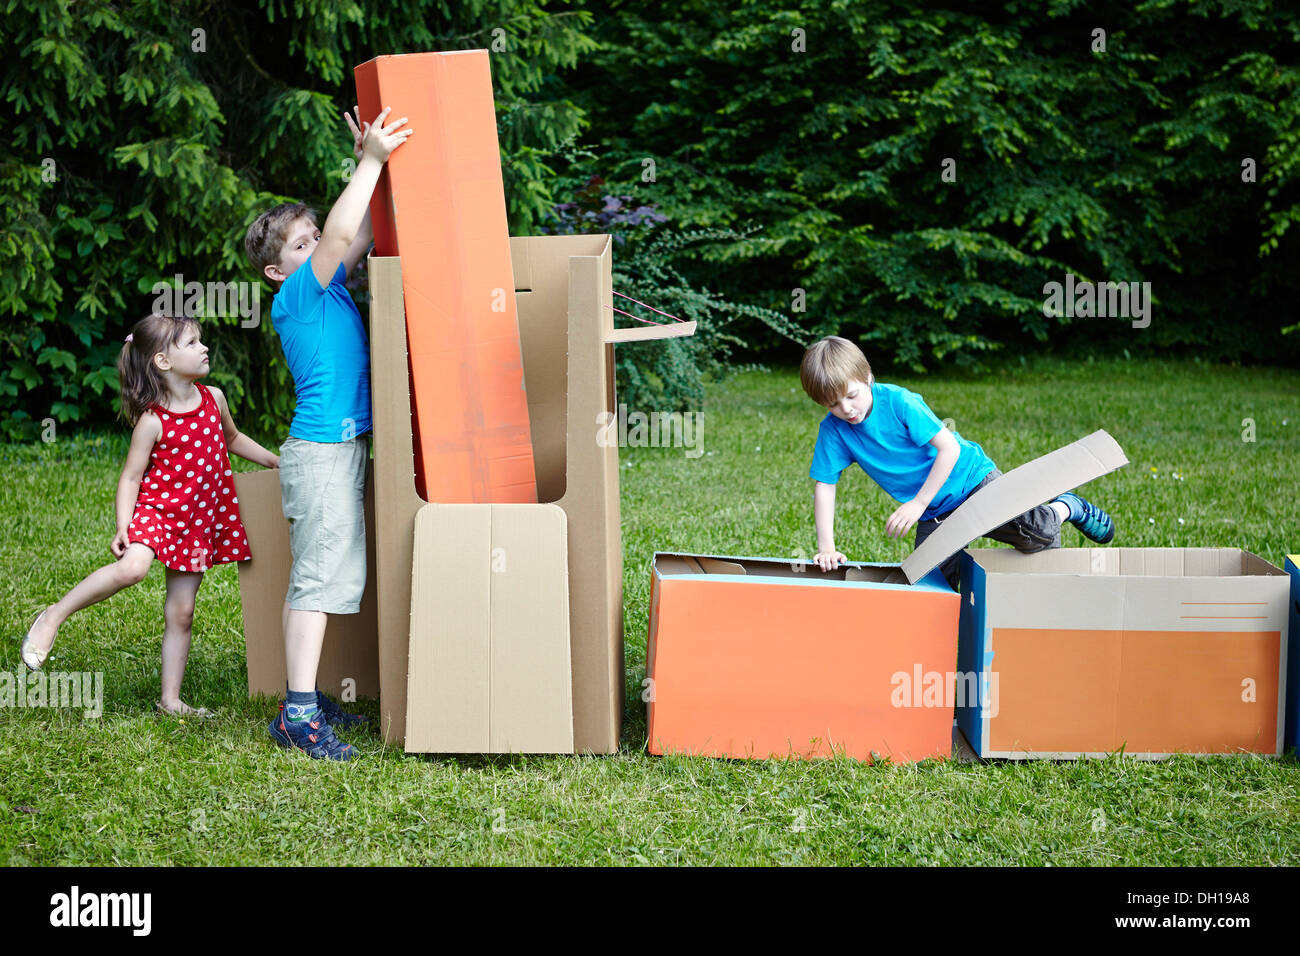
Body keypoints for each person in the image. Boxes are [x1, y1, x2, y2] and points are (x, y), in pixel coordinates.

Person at [241, 105, 411, 760]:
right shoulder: (296, 297)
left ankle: (301, 699)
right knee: (315, 584)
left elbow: (357, 229)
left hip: (338, 450)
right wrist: (368, 160)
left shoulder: (328, 283)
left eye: (314, 233)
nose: (318, 244)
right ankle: (299, 716)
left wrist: (372, 160)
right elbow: (341, 238)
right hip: (321, 454)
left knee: (321, 580)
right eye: (300, 244)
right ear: (277, 272)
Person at [20, 312, 279, 716]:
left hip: (196, 521)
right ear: (163, 361)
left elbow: (232, 438)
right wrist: (125, 524)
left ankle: (170, 701)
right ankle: (54, 615)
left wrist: (273, 461)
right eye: (192, 343)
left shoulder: (215, 399)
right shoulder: (152, 420)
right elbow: (130, 478)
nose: (204, 347)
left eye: (200, 340)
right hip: (157, 513)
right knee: (132, 569)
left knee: (182, 611)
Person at [801, 335, 1116, 588]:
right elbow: (825, 486)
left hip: (971, 480)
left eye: (852, 395)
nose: (847, 409)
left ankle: (1068, 506)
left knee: (1040, 535)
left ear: (867, 377)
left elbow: (948, 449)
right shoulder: (834, 431)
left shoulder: (899, 403)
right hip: (936, 511)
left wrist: (918, 503)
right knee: (931, 581)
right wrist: (826, 547)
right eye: (833, 404)